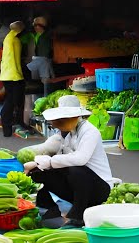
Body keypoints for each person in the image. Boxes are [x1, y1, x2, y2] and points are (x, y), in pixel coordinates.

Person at [17, 95, 114, 227]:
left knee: (75, 170)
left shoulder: (90, 132)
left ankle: (77, 215)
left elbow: (80, 159)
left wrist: (49, 161)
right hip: (80, 188)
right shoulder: (68, 133)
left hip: (99, 189)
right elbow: (57, 155)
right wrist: (37, 164)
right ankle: (48, 209)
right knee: (40, 173)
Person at [0, 21, 28, 138]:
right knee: (13, 101)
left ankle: (11, 125)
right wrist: (20, 75)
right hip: (13, 75)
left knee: (11, 99)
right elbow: (15, 60)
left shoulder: (8, 38)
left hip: (7, 74)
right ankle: (8, 125)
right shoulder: (15, 41)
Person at [28, 16, 55, 97]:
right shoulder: (35, 36)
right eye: (34, 26)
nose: (35, 27)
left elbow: (46, 54)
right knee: (39, 83)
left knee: (45, 82)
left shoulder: (45, 38)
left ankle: (46, 99)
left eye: (37, 25)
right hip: (37, 61)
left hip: (43, 62)